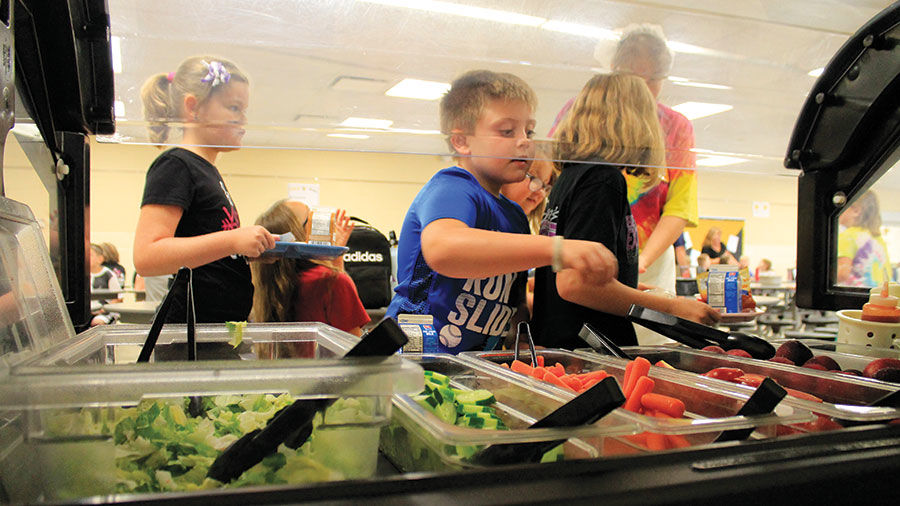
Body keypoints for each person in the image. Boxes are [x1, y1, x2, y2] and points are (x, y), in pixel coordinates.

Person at [386, 69, 618, 354]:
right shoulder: (453, 187)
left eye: (528, 131)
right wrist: (556, 249)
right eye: (507, 131)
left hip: (472, 365)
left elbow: (514, 301)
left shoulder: (515, 217)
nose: (524, 141)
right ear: (461, 141)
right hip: (415, 357)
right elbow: (443, 249)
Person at [532, 73, 719, 349]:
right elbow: (574, 284)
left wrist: (628, 288)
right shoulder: (603, 181)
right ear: (636, 122)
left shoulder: (573, 176)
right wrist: (672, 308)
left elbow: (581, 276)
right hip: (587, 348)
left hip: (564, 342)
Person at [549, 24, 699, 297]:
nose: (641, 89)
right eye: (632, 77)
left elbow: (681, 205)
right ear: (615, 71)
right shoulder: (583, 112)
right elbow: (550, 176)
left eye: (653, 79)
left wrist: (640, 262)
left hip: (646, 258)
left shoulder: (677, 127)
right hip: (581, 251)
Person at [133, 56, 276, 323]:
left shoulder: (208, 171)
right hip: (189, 331)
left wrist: (246, 249)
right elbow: (146, 257)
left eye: (244, 110)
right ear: (193, 107)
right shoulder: (176, 165)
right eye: (234, 108)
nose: (243, 120)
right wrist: (232, 241)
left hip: (215, 326)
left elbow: (208, 249)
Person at [250, 199, 369, 336]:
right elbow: (353, 346)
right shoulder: (331, 282)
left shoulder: (264, 287)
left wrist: (333, 262)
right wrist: (336, 273)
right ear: (300, 233)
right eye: (312, 220)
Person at [837, 191, 892, 287]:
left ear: (856, 211)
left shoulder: (848, 236)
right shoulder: (877, 239)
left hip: (853, 297)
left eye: (842, 207)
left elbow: (842, 274)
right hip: (876, 295)